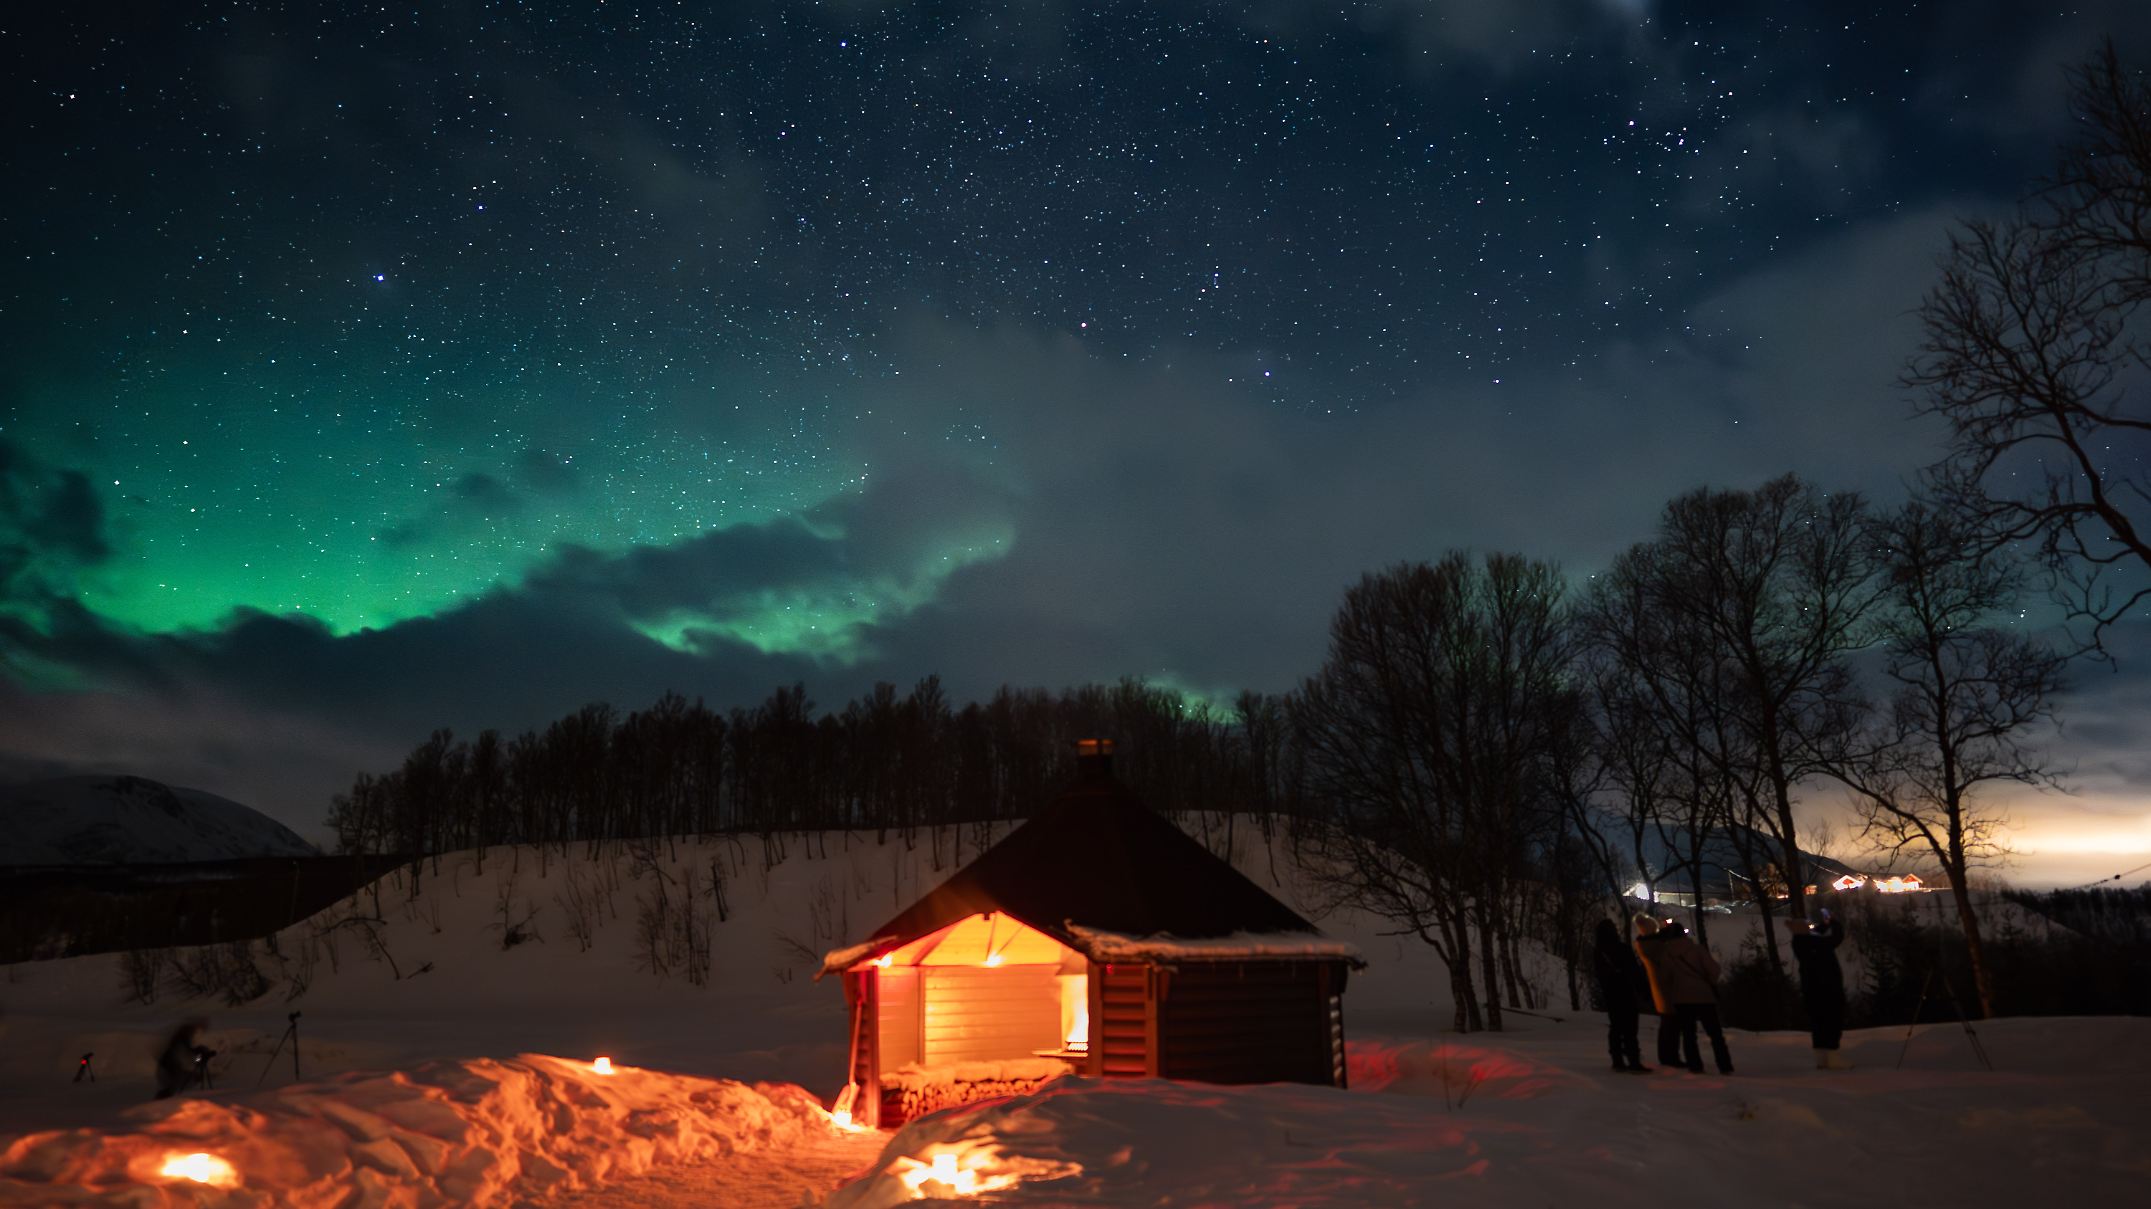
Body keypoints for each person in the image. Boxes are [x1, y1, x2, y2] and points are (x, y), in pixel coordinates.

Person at [1654, 920, 1734, 1075]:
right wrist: (1709, 982)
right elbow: (1714, 969)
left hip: (1681, 998)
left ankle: (1695, 1065)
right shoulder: (1697, 950)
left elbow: (1663, 978)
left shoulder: (1667, 954)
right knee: (1715, 1034)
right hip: (1704, 996)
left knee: (1689, 1034)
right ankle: (1724, 1064)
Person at [1789, 910, 1851, 1069]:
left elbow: (1816, 932)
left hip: (1811, 990)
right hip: (1828, 989)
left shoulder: (1800, 942)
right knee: (1832, 1021)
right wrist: (1834, 923)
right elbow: (1835, 939)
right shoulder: (1814, 943)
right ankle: (1833, 1058)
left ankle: (1822, 1059)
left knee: (1818, 1023)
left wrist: (1825, 923)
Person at [1593, 918, 1652, 1072]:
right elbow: (1634, 972)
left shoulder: (1598, 952)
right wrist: (1643, 990)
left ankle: (1617, 1060)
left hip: (1610, 994)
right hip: (1626, 992)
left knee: (1616, 1027)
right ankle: (1633, 1060)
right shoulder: (1623, 949)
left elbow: (1600, 975)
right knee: (1630, 1028)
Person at [1631, 915, 1681, 1069]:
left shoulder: (1646, 945)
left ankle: (1666, 1056)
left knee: (1667, 1023)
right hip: (1667, 989)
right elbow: (1669, 963)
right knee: (1671, 1024)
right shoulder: (1656, 947)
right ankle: (1671, 1057)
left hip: (1660, 989)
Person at [153, 1020, 209, 1100]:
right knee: (174, 1085)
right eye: (194, 1032)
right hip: (169, 1065)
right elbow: (188, 1053)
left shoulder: (180, 1039)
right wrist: (198, 1054)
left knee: (175, 1085)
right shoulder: (182, 1040)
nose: (195, 1034)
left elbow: (189, 1054)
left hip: (169, 1064)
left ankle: (164, 1099)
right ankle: (163, 1100)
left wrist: (197, 1054)